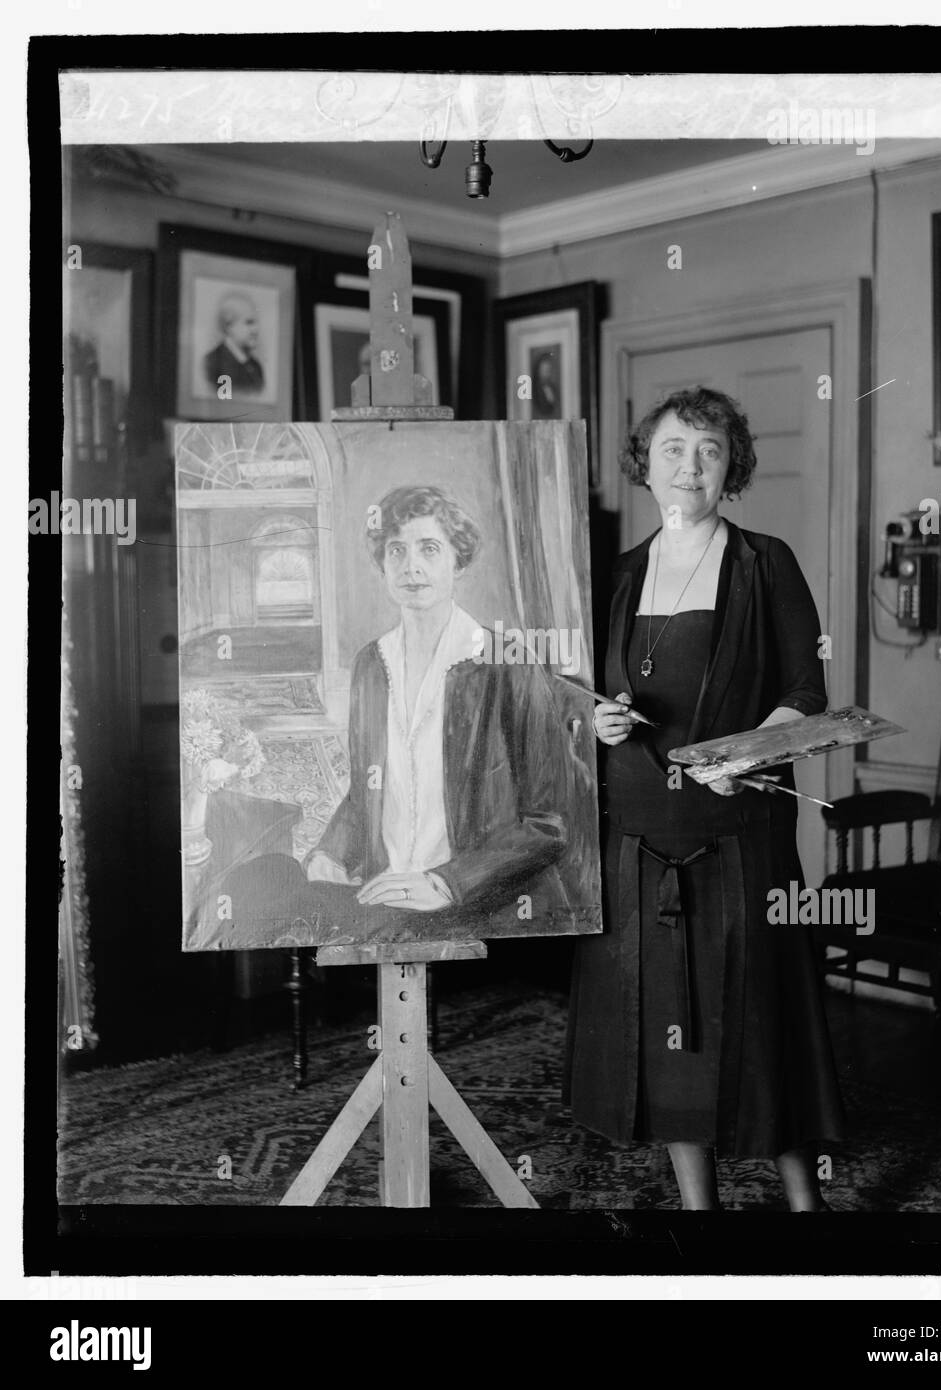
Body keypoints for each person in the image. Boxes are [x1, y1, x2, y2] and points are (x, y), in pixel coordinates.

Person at [563, 386, 846, 1211]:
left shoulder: (767, 563)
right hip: (636, 841)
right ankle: (700, 1207)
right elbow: (581, 695)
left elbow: (806, 691)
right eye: (674, 449)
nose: (691, 465)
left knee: (762, 1023)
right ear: (645, 467)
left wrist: (746, 752)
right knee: (664, 1039)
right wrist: (599, 720)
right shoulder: (616, 577)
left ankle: (805, 1205)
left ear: (732, 469)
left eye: (710, 450)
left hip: (738, 837)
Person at [305, 484, 570, 922]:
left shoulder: (508, 661)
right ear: (382, 564)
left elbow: (548, 824)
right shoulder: (371, 663)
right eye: (396, 551)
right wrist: (329, 853)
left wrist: (448, 881)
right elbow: (365, 790)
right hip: (384, 893)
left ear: (458, 559)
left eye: (429, 549)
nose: (411, 567)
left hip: (478, 901)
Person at [203, 292, 265, 395]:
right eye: (249, 322)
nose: (256, 330)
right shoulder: (211, 364)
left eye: (255, 323)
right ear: (229, 326)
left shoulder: (256, 367)